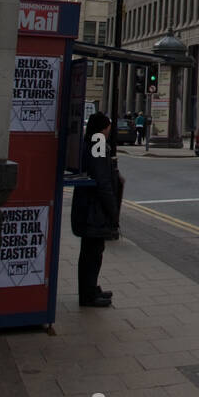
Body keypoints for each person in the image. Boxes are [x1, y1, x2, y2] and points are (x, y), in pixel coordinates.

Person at [71, 112, 120, 308]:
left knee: (91, 251)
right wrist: (113, 209)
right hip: (94, 209)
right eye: (108, 126)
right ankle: (88, 295)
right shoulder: (99, 142)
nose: (110, 130)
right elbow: (102, 180)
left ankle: (90, 289)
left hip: (88, 206)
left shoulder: (90, 140)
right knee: (92, 253)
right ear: (103, 128)